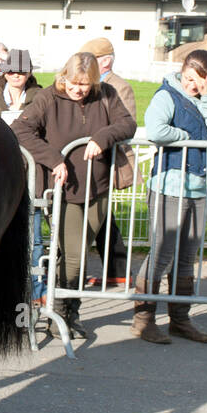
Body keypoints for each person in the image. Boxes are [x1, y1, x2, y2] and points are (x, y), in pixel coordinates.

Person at [12, 52, 135, 339]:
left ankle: (70, 311)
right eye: (73, 82)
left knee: (78, 253)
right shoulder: (47, 97)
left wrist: (102, 138)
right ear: (64, 76)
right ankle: (59, 315)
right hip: (62, 190)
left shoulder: (106, 94)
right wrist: (54, 159)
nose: (78, 89)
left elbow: (127, 123)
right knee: (73, 257)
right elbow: (21, 129)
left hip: (98, 186)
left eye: (84, 84)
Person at [130, 50, 207, 344]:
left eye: (199, 81)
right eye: (189, 79)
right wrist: (188, 137)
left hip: (197, 187)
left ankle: (180, 321)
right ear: (182, 71)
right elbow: (156, 130)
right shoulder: (167, 95)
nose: (192, 86)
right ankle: (143, 320)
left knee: (186, 257)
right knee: (161, 253)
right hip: (168, 184)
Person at [0, 49, 45, 303]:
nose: (15, 75)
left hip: (31, 175)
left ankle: (35, 293)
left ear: (29, 72)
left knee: (33, 236)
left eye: (20, 71)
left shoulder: (42, 97)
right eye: (10, 70)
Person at [79, 36, 136, 283]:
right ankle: (117, 272)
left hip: (108, 161)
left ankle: (113, 272)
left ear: (105, 61)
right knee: (99, 218)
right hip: (88, 161)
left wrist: (99, 139)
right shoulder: (89, 83)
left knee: (98, 217)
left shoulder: (119, 86)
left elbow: (126, 123)